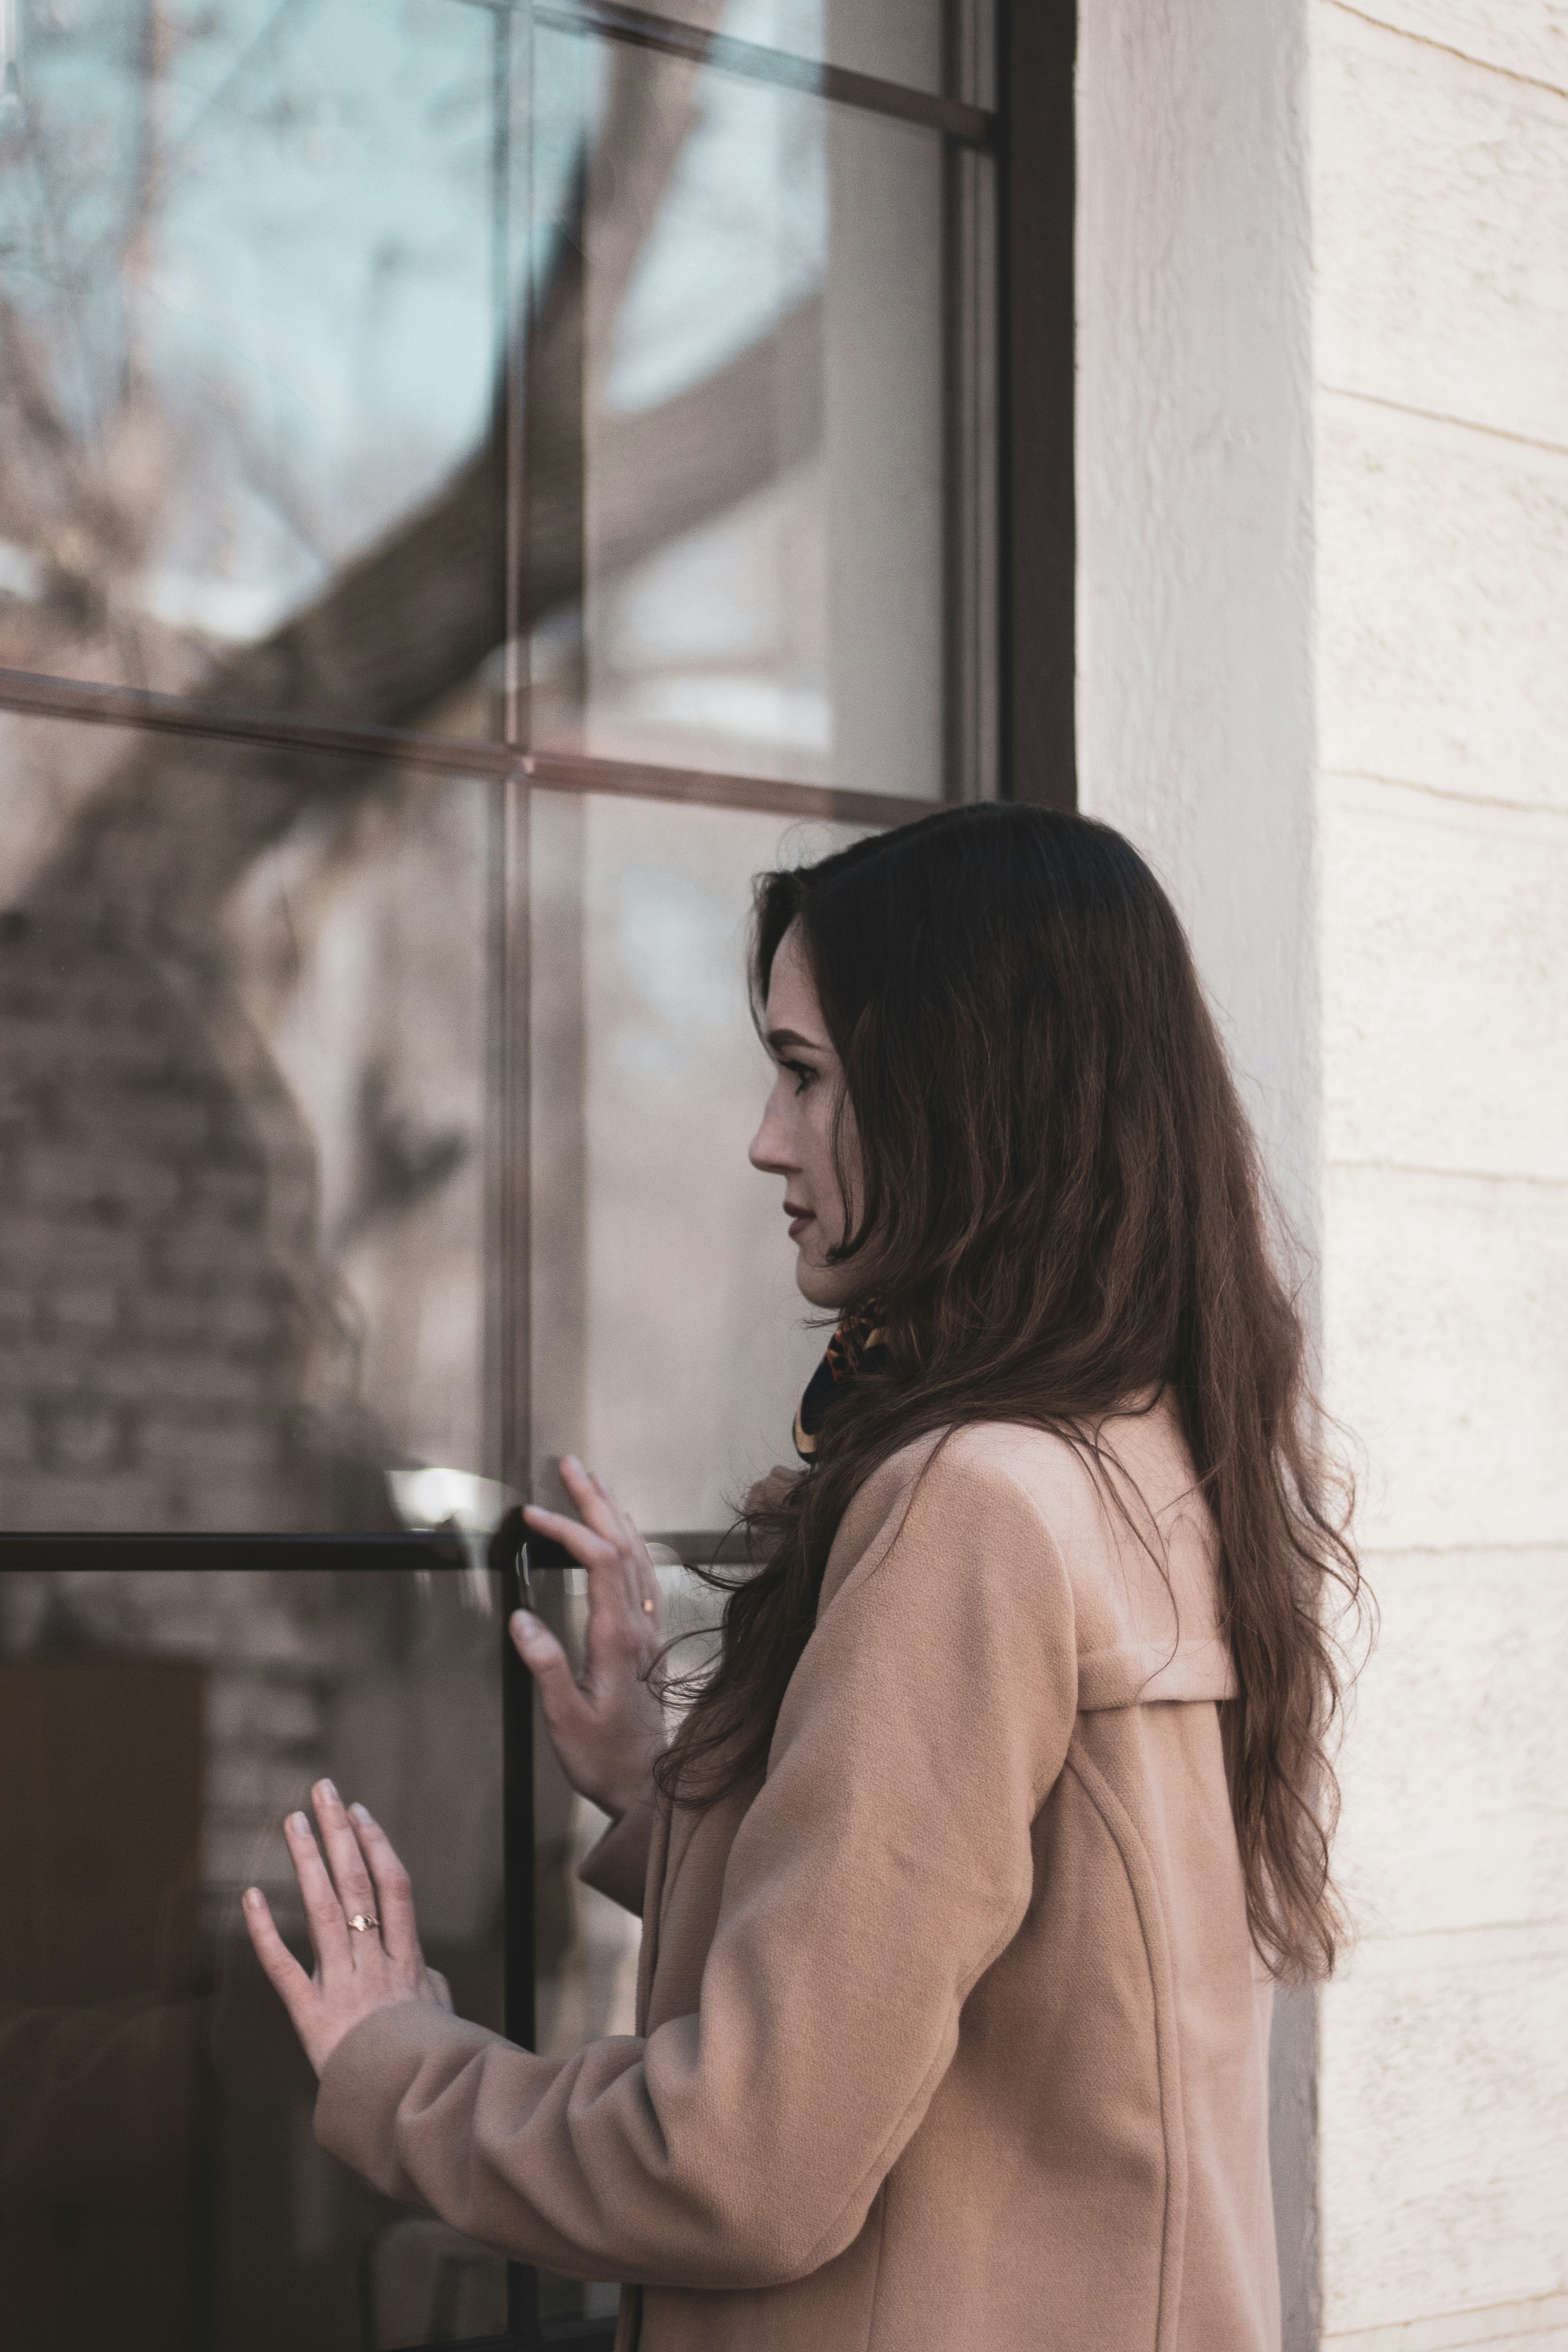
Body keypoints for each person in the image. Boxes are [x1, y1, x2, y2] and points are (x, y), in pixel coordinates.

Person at [244, 803, 1360, 2352]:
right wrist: (662, 1790)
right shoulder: (1150, 1448)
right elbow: (1025, 1978)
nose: (768, 1138)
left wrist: (401, 2066)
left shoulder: (971, 1503)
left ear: (968, 1095)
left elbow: (745, 2165)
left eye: (806, 1075)